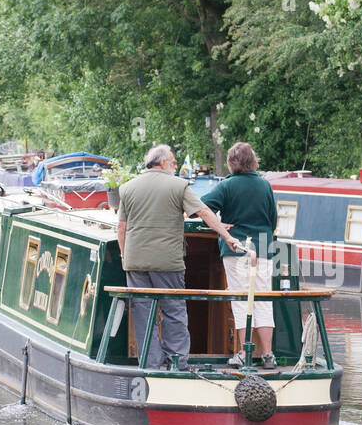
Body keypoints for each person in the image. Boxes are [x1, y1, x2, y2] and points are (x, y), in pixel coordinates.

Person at [117, 144, 244, 371]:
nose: (176, 167)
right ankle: (177, 362)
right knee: (173, 310)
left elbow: (122, 227)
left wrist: (124, 256)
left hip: (135, 261)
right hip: (167, 262)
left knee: (143, 312)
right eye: (175, 163)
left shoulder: (127, 188)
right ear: (164, 163)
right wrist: (227, 236)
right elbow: (204, 213)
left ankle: (151, 363)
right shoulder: (178, 186)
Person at [201, 142, 279, 369]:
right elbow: (272, 221)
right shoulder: (265, 186)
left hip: (236, 250)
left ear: (231, 163)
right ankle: (268, 355)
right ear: (253, 160)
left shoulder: (226, 186)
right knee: (263, 299)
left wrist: (220, 226)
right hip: (263, 249)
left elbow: (201, 208)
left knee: (241, 300)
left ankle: (244, 354)